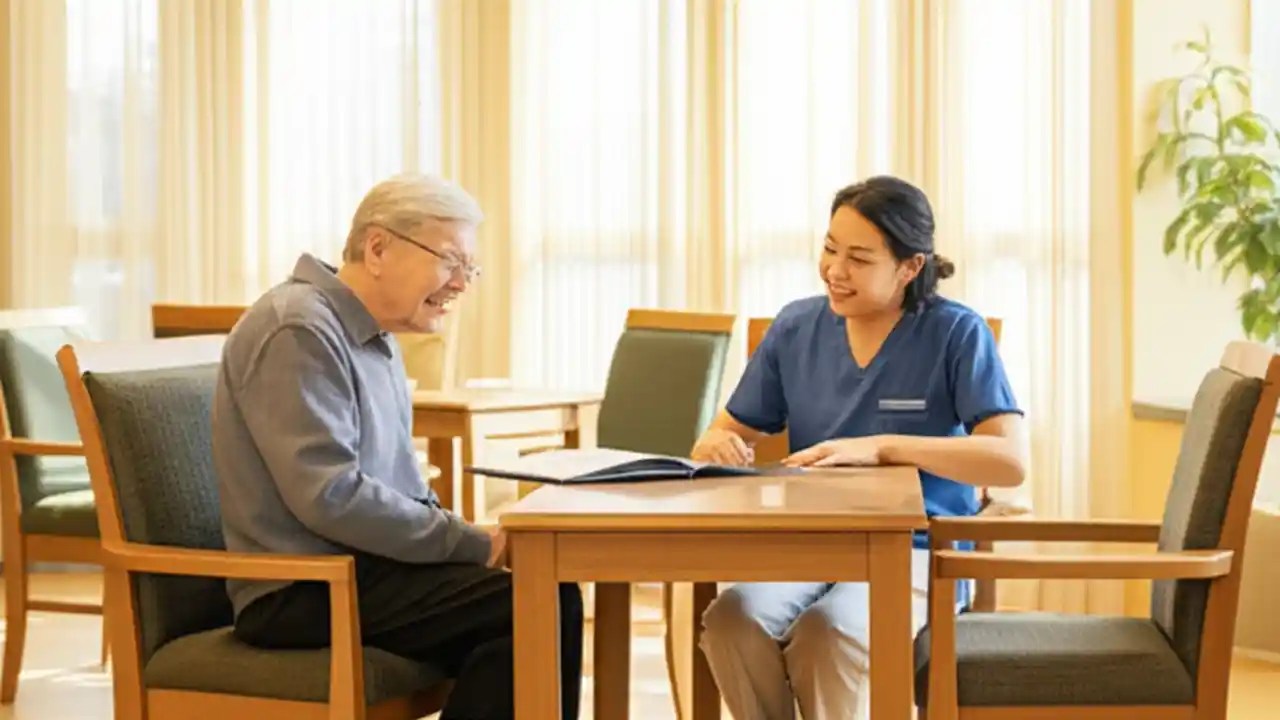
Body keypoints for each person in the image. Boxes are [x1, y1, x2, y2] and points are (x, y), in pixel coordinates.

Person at [211, 174, 583, 720]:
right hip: (302, 587)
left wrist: (472, 541)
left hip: (358, 570)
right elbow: (331, 495)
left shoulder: (371, 336)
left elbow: (394, 488)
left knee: (544, 596)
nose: (461, 283)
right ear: (378, 247)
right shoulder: (299, 328)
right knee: (538, 605)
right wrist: (475, 545)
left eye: (469, 269)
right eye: (449, 260)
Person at [689, 175, 1027, 719]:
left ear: (910, 267)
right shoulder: (796, 327)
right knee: (732, 619)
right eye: (829, 249)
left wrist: (884, 447)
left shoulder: (955, 333)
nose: (834, 271)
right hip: (811, 540)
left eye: (859, 258)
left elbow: (1009, 462)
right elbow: (726, 428)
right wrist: (719, 440)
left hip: (917, 551)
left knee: (830, 631)